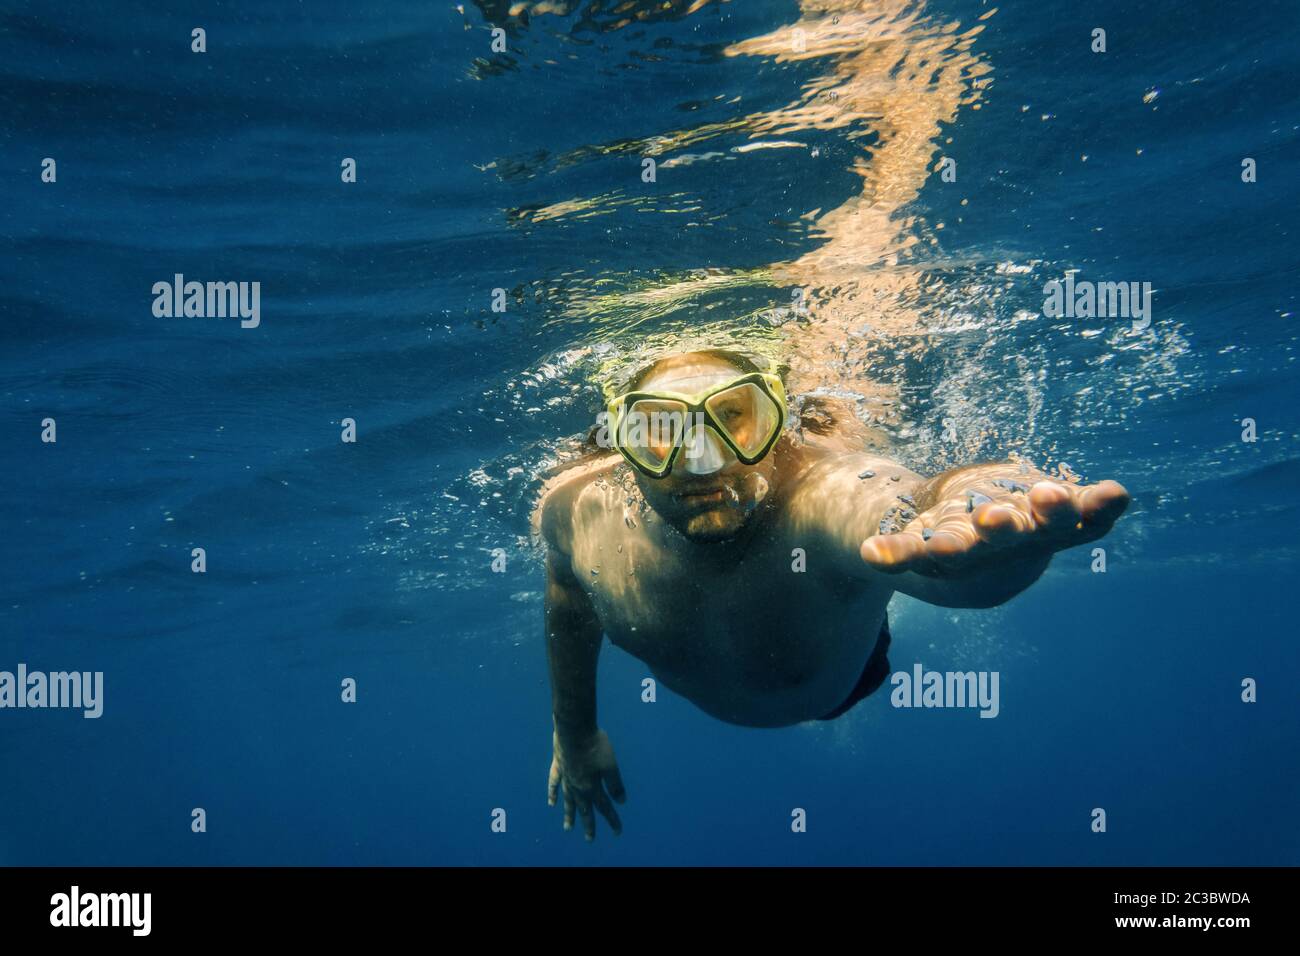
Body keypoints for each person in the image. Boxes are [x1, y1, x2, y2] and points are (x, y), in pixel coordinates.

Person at [534, 348, 1129, 840]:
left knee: (863, 586)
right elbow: (568, 600)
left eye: (735, 419)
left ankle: (867, 597)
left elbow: (896, 506)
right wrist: (575, 733)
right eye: (660, 431)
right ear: (621, 443)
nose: (701, 460)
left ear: (779, 427)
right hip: (798, 661)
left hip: (850, 674)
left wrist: (977, 512)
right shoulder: (575, 514)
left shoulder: (818, 496)